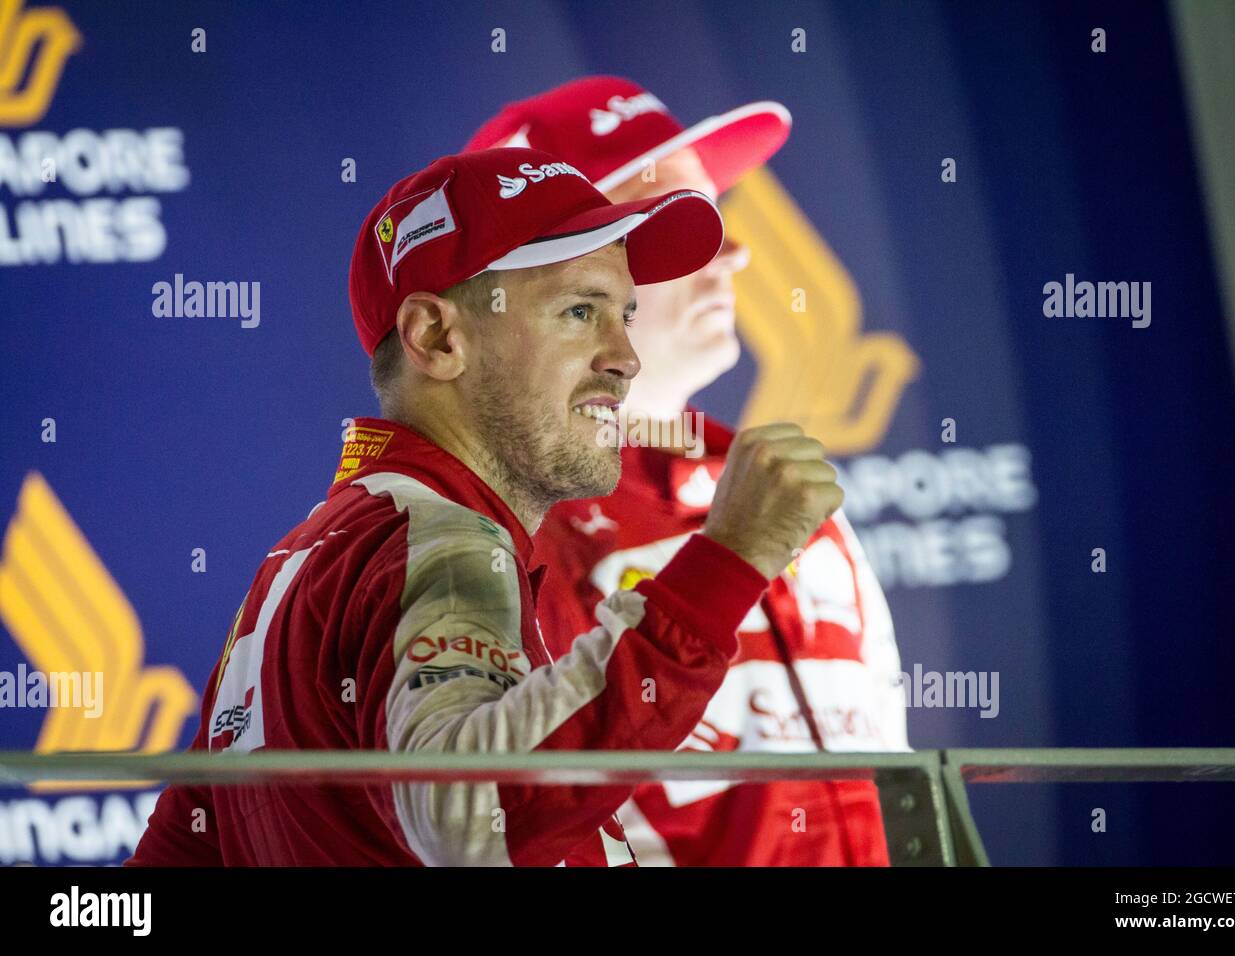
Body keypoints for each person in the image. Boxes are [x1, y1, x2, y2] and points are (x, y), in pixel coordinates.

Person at [126, 146, 846, 867]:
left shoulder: (302, 561)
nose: (624, 357)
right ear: (437, 339)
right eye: (578, 310)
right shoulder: (435, 541)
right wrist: (724, 567)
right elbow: (478, 811)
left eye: (623, 314)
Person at [466, 78, 909, 866]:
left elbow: (888, 764)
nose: (735, 251)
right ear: (548, 276)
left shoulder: (782, 478)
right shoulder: (498, 520)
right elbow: (503, 814)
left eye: (718, 217)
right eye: (679, 225)